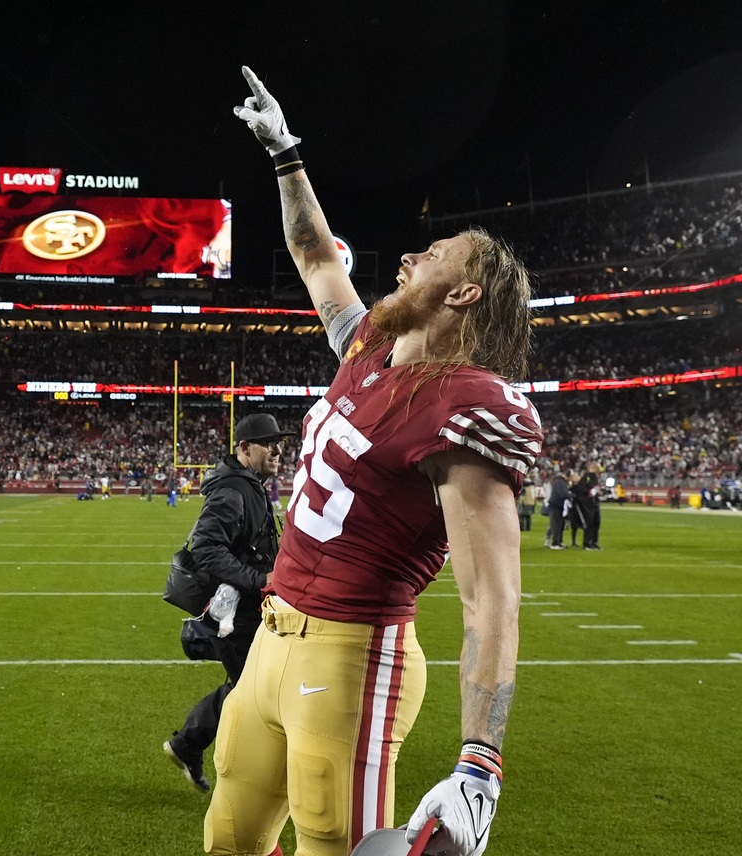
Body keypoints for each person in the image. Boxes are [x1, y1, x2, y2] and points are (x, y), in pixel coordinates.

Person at [214, 67, 543, 856]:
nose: (404, 258)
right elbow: (312, 255)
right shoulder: (367, 345)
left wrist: (480, 762)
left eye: (429, 257)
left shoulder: (463, 405)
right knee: (228, 837)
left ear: (463, 296)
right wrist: (286, 156)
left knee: (334, 844)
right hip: (270, 636)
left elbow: (491, 602)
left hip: (353, 656)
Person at [163, 413, 291, 793]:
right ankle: (235, 769)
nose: (277, 449)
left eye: (279, 443)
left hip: (245, 610)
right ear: (244, 448)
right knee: (255, 690)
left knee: (252, 686)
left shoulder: (247, 485)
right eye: (269, 442)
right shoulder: (233, 489)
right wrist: (258, 579)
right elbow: (205, 546)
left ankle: (189, 745)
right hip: (235, 613)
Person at [546, 469, 570, 549]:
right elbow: (562, 493)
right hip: (556, 506)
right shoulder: (560, 482)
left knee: (560, 525)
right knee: (556, 525)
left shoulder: (559, 481)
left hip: (557, 506)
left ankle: (558, 542)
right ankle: (555, 543)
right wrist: (570, 495)